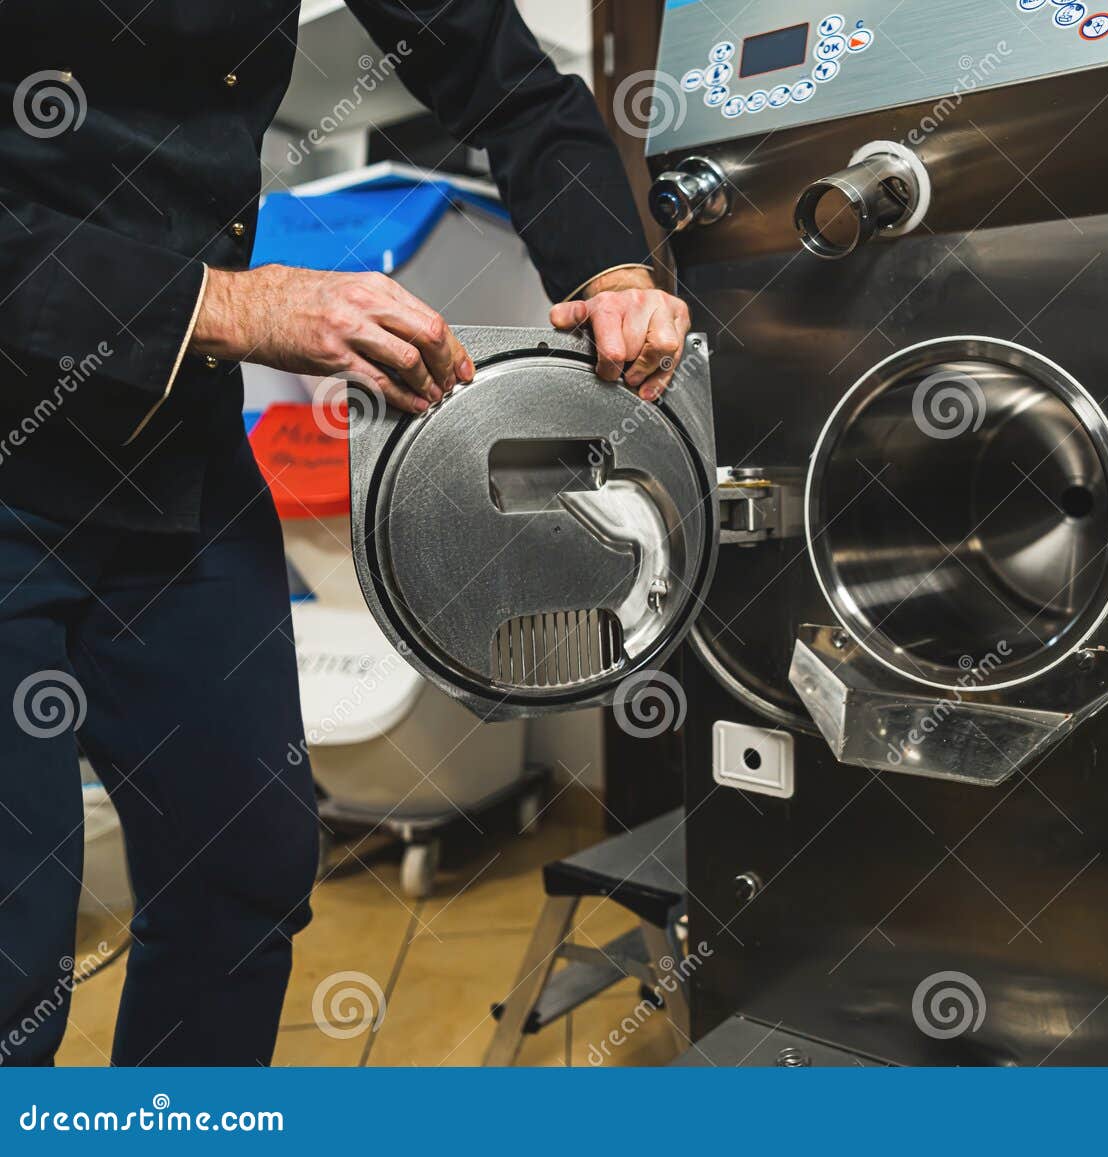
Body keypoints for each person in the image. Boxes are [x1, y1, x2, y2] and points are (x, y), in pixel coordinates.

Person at [0, 0, 688, 1066]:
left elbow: (513, 84)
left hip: (169, 450)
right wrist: (232, 305)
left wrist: (612, 270)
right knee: (15, 938)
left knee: (246, 870)